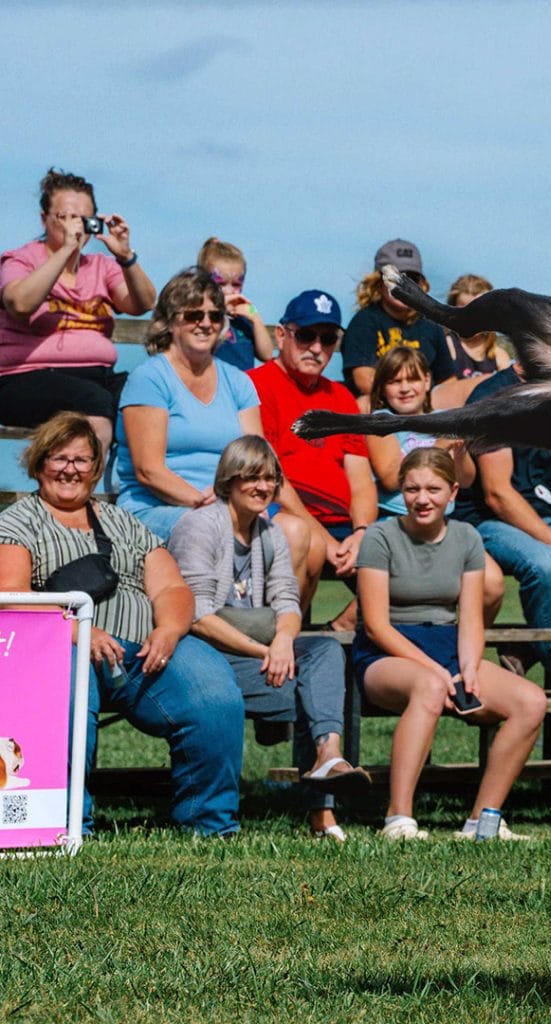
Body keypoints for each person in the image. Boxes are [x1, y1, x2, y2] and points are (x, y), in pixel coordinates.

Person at [0, 413, 244, 835]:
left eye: (81, 460)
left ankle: (208, 823)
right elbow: (14, 596)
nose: (70, 469)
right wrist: (79, 631)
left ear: (96, 470)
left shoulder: (124, 522)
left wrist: (168, 631)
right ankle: (70, 824)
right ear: (39, 464)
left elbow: (172, 589)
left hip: (143, 650)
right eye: (59, 458)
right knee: (66, 690)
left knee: (214, 693)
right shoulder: (18, 522)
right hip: (65, 647)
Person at [167, 437, 365, 841]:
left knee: (325, 652)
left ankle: (328, 759)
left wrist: (283, 643)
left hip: (259, 655)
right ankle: (320, 811)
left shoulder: (270, 532)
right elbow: (197, 615)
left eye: (271, 480)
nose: (263, 487)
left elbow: (288, 602)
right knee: (314, 689)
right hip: (206, 658)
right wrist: (265, 649)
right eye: (252, 478)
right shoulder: (198, 527)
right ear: (229, 480)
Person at [355, 447, 547, 840]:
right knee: (428, 686)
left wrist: (471, 666)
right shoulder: (379, 536)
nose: (422, 499)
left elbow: (471, 618)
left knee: (531, 701)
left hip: (447, 646)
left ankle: (484, 822)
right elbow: (375, 626)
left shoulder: (467, 537)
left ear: (453, 492)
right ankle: (398, 819)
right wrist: (435, 670)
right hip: (388, 652)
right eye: (411, 489)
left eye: (433, 489)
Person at [455, 367, 551, 683]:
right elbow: (497, 494)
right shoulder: (493, 397)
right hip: (486, 520)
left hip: (542, 516)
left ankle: (530, 648)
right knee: (543, 564)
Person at [0, 168, 156, 452]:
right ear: (44, 219)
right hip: (25, 377)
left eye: (83, 219)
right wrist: (64, 252)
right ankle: (77, 488)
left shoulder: (101, 266)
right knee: (94, 400)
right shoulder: (21, 260)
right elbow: (20, 303)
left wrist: (126, 257)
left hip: (96, 376)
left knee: (147, 397)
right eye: (65, 217)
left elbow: (142, 303)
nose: (75, 226)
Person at [248, 289, 378, 620]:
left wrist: (362, 532)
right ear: (281, 334)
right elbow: (269, 475)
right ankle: (285, 644)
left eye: (328, 338)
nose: (317, 348)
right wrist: (322, 537)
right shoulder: (256, 385)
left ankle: (338, 637)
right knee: (307, 545)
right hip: (285, 516)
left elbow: (361, 478)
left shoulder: (342, 397)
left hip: (343, 525)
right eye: (306, 335)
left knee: (413, 572)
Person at [113, 270, 263, 540]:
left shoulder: (238, 381)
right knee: (208, 529)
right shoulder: (150, 379)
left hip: (228, 506)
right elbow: (149, 471)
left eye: (215, 316)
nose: (206, 323)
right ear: (170, 322)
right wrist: (212, 507)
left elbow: (257, 460)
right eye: (194, 315)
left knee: (294, 533)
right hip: (157, 508)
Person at [366, 346, 503, 622]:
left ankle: (458, 642)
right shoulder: (381, 424)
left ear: (427, 381)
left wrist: (460, 451)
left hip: (443, 525)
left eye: (413, 379)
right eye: (394, 381)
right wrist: (440, 446)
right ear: (382, 388)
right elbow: (392, 477)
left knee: (493, 584)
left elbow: (465, 480)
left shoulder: (445, 418)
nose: (405, 388)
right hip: (398, 525)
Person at [341, 239, 455, 406]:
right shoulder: (364, 322)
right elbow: (363, 378)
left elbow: (448, 380)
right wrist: (404, 399)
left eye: (412, 279)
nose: (403, 285)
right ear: (379, 284)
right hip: (382, 407)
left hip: (424, 406)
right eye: (395, 279)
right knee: (364, 403)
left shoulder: (431, 324)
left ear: (421, 285)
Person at [431, 273, 511, 410]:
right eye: (466, 311)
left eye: (481, 311)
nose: (474, 319)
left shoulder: (499, 357)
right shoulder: (447, 347)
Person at [197, 237, 274, 370]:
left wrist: (254, 317)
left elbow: (267, 355)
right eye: (221, 284)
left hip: (242, 387)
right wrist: (217, 311)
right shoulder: (199, 317)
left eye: (236, 284)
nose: (229, 291)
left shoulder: (243, 318)